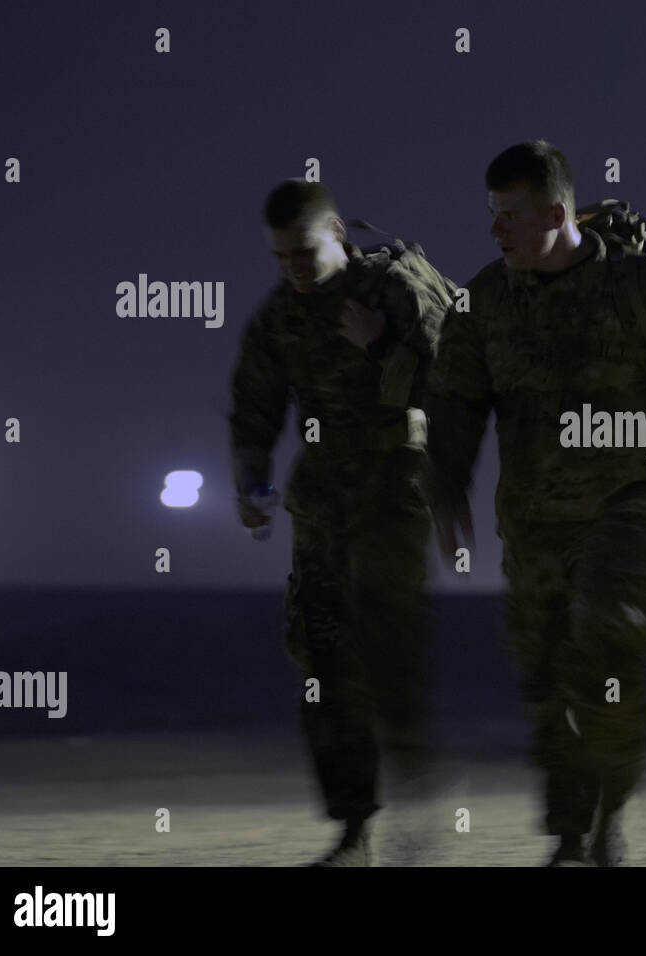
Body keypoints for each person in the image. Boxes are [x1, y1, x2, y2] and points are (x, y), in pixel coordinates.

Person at [426, 141, 646, 866]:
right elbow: (453, 402)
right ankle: (570, 836)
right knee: (545, 679)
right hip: (533, 521)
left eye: (511, 216)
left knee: (606, 635)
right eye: (491, 215)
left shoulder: (644, 295)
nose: (496, 230)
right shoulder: (484, 302)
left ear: (558, 212)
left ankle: (612, 813)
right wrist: (444, 492)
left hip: (626, 509)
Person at [228, 179, 446, 865]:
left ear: (339, 236)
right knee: (321, 662)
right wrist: (250, 474)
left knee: (386, 657)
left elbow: (466, 379)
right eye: (280, 257)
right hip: (322, 500)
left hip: (393, 492)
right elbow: (255, 400)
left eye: (303, 252)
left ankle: (422, 801)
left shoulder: (396, 290)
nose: (292, 268)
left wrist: (384, 347)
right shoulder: (280, 317)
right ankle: (352, 831)